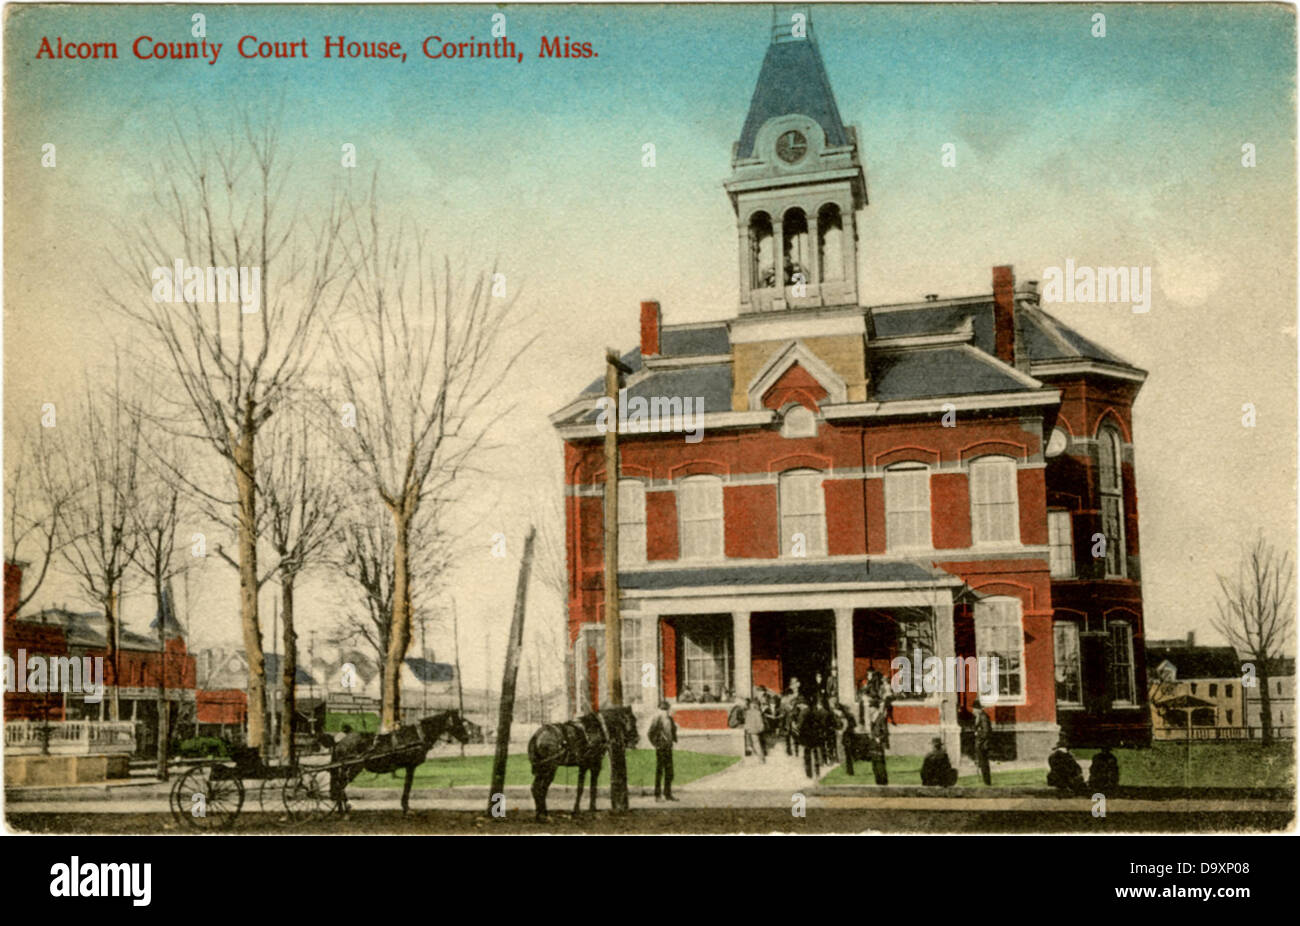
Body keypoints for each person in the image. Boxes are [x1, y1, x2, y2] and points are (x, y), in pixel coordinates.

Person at [648, 700, 679, 801]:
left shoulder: (669, 718)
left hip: (668, 747)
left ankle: (667, 793)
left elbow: (672, 731)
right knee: (660, 771)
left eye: (666, 709)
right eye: (663, 709)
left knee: (669, 772)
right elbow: (650, 733)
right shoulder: (657, 718)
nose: (665, 711)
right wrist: (656, 744)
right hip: (661, 748)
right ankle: (657, 795)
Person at [863, 693, 889, 785]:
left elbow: (885, 732)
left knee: (880, 764)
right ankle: (878, 782)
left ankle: (883, 782)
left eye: (871, 707)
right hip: (873, 743)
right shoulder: (873, 718)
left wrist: (880, 739)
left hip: (878, 743)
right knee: (875, 764)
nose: (869, 710)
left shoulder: (881, 717)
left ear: (875, 708)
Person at [972, 699, 993, 786]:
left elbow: (986, 731)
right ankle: (986, 781)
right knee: (982, 763)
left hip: (983, 744)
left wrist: (978, 733)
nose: (973, 711)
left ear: (978, 709)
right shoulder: (979, 716)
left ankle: (987, 782)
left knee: (984, 764)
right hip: (980, 744)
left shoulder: (983, 717)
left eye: (974, 709)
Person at [834, 702, 856, 776]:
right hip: (851, 736)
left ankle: (848, 770)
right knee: (849, 754)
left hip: (845, 737)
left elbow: (841, 728)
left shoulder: (843, 717)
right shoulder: (850, 716)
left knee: (845, 753)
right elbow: (854, 725)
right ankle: (849, 770)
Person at [744, 698, 767, 762]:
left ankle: (761, 758)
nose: (751, 705)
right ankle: (759, 757)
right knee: (755, 743)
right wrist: (760, 728)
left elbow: (747, 721)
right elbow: (760, 722)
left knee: (755, 744)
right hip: (754, 730)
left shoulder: (749, 712)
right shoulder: (757, 712)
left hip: (752, 730)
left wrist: (747, 727)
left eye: (752, 704)